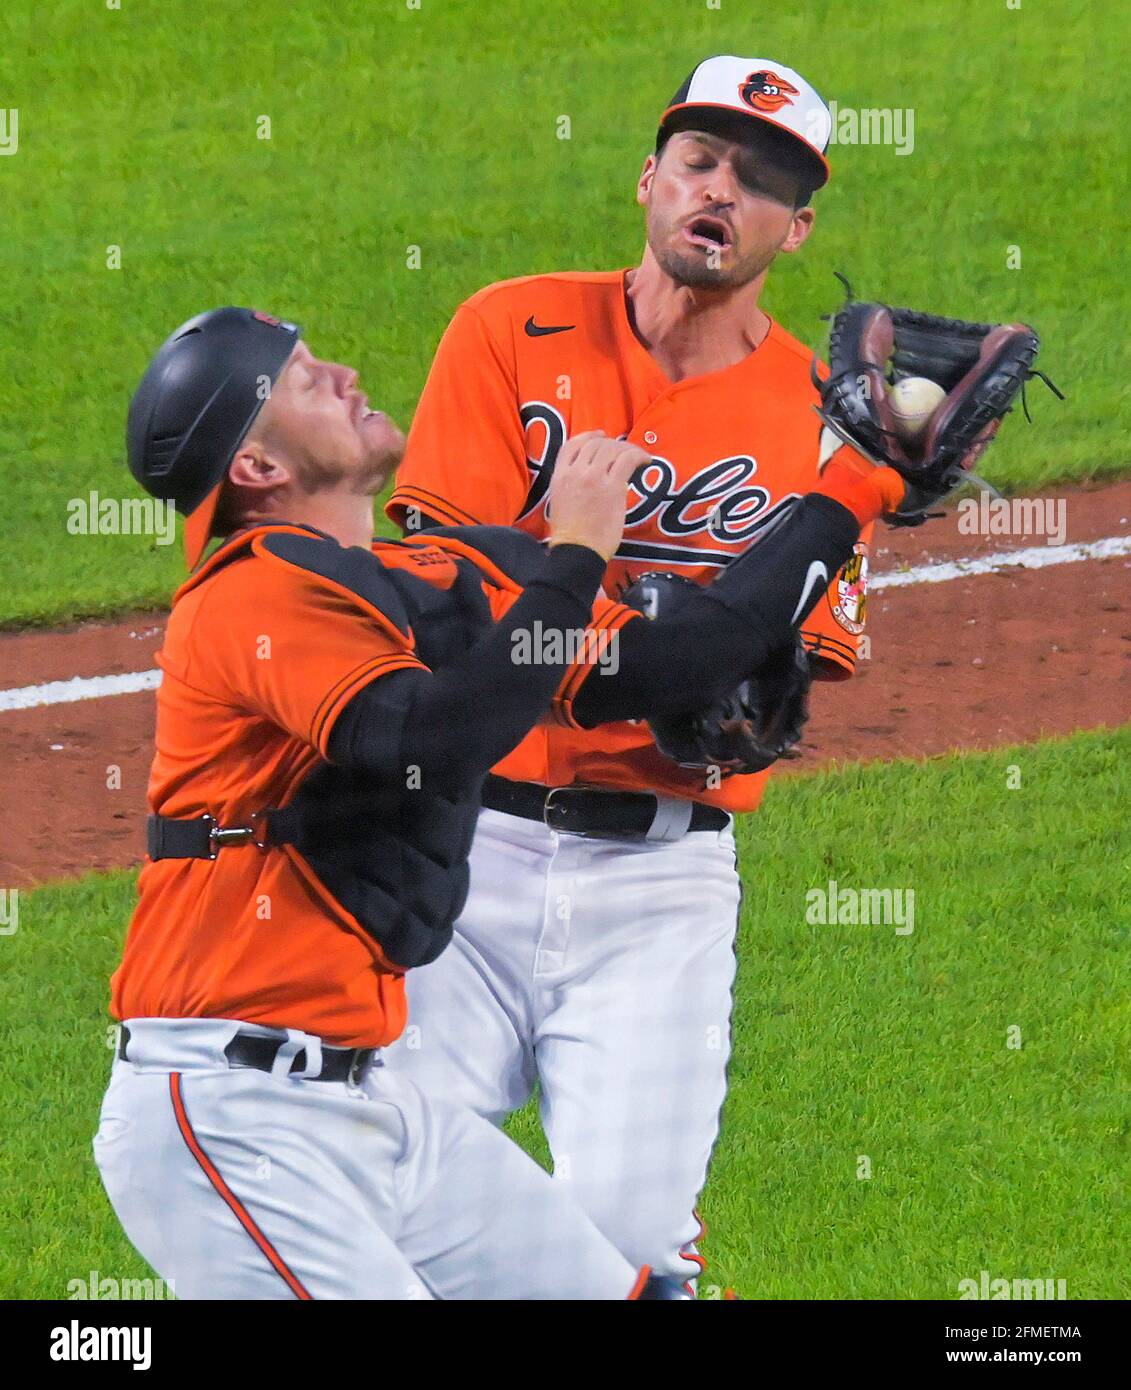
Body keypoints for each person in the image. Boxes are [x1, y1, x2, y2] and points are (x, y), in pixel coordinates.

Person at [94, 305, 908, 1299]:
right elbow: (428, 741)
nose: (345, 373)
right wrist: (573, 556)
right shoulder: (246, 598)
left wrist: (858, 483)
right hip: (230, 1117)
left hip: (373, 1105)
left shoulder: (427, 575)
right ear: (258, 467)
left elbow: (660, 664)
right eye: (306, 379)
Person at [381, 53, 871, 1288]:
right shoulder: (507, 327)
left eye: (761, 184)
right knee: (380, 1176)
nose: (722, 191)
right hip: (467, 850)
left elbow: (795, 663)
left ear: (795, 230)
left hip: (661, 885)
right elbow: (461, 597)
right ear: (650, 177)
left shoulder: (827, 416)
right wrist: (661, 641)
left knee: (625, 1241)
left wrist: (732, 684)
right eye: (701, 160)